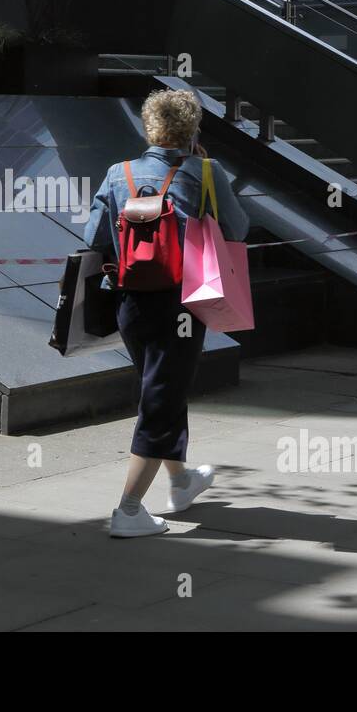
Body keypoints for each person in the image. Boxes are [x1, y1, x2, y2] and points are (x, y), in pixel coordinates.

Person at [83, 89, 250, 538]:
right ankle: (128, 510)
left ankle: (180, 482)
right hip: (181, 302)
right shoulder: (205, 172)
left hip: (130, 303)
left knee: (163, 387)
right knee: (161, 398)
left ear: (148, 128)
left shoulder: (118, 174)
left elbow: (94, 238)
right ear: (192, 129)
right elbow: (238, 228)